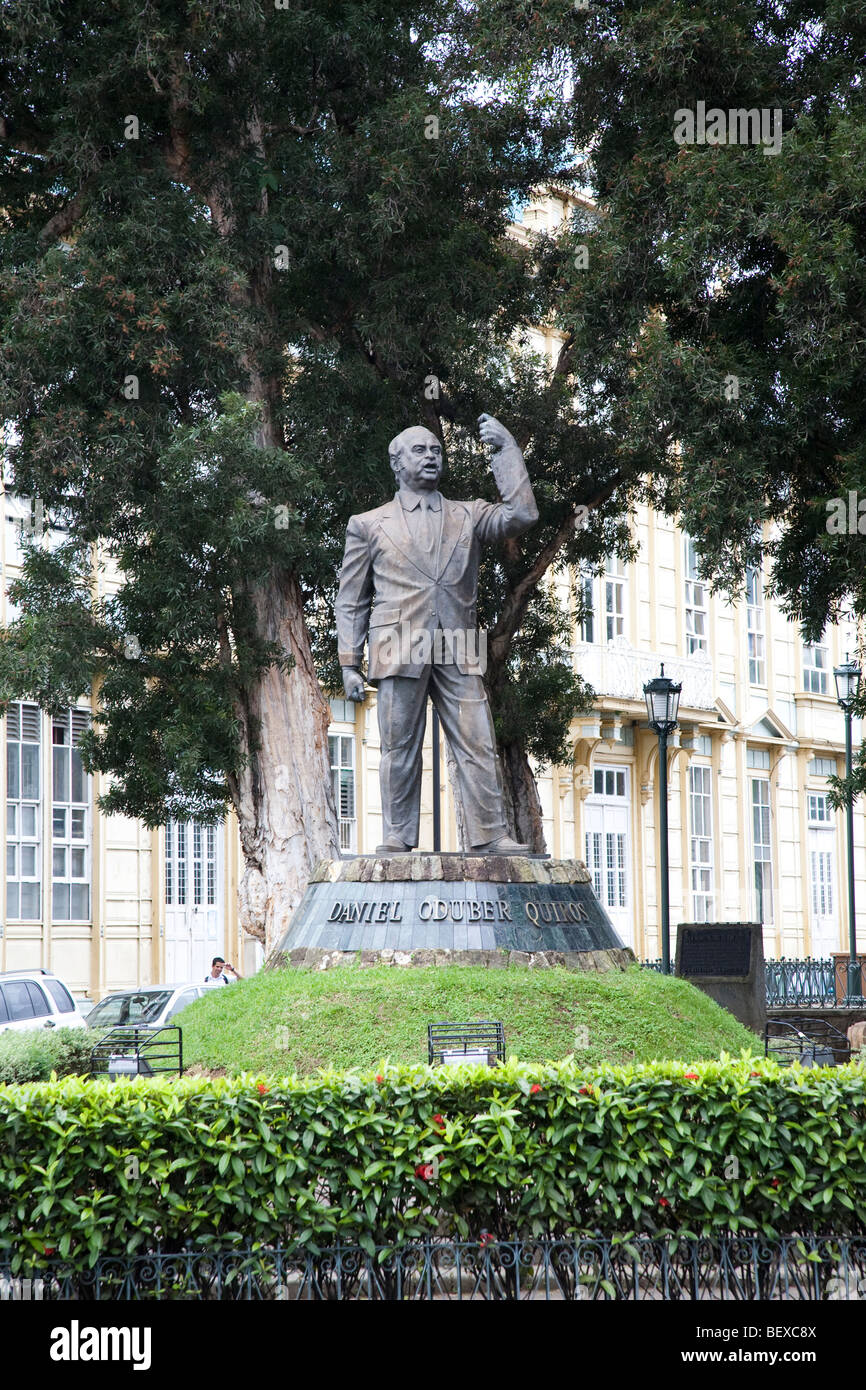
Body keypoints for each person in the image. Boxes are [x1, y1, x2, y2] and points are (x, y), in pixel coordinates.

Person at [335, 413, 538, 853]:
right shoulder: (368, 524)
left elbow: (521, 514)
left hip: (459, 645)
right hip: (396, 645)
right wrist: (349, 663)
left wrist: (507, 452)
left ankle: (490, 836)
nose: (431, 457)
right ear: (396, 462)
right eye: (419, 450)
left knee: (478, 742)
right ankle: (398, 836)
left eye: (436, 450)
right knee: (399, 750)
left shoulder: (468, 515)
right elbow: (352, 599)